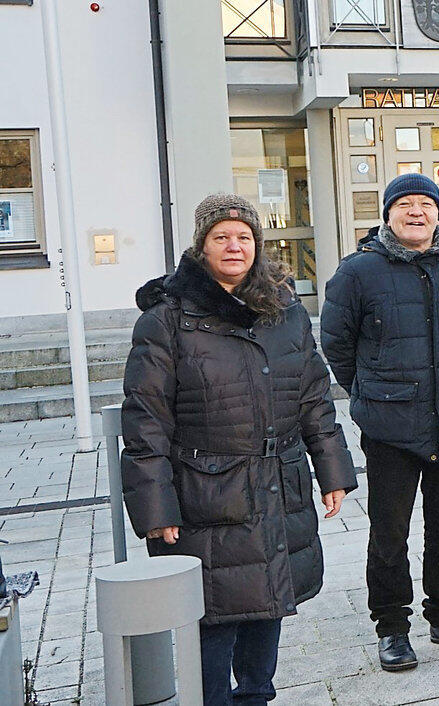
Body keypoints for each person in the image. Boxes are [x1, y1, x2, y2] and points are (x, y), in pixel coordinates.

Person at [121, 194, 357, 705]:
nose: (234, 246)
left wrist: (332, 471)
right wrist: (155, 507)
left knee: (268, 604)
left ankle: (256, 697)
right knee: (214, 617)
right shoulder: (166, 319)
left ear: (258, 244)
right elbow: (145, 422)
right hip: (206, 495)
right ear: (201, 246)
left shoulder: (285, 310)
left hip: (276, 483)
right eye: (221, 236)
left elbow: (313, 397)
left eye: (244, 236)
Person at [321, 173, 439, 672]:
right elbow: (337, 344)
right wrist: (372, 393)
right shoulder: (358, 271)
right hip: (391, 427)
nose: (416, 212)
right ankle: (392, 627)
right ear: (388, 214)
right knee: (389, 534)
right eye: (405, 204)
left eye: (426, 204)